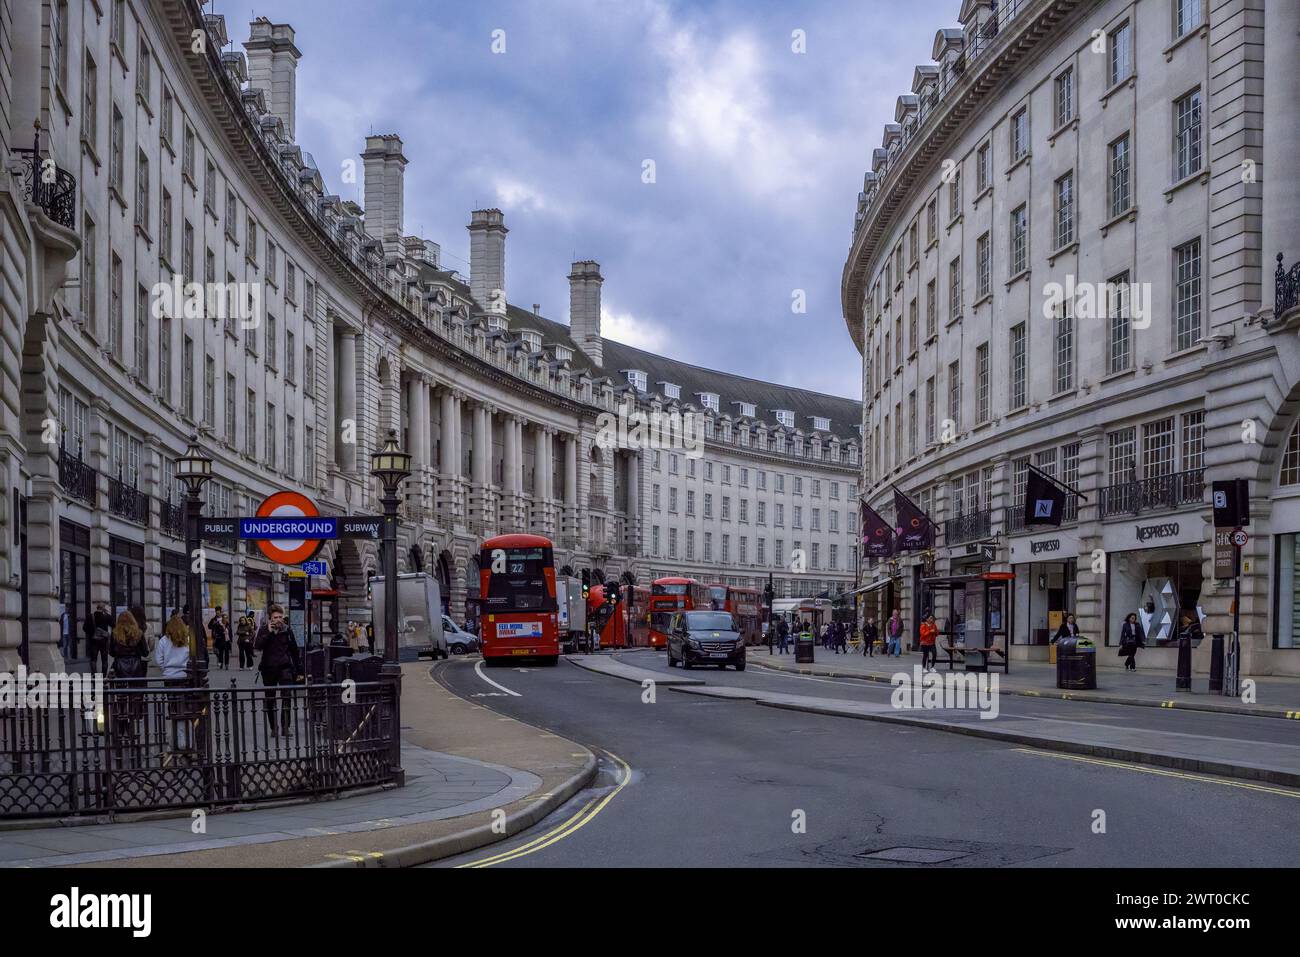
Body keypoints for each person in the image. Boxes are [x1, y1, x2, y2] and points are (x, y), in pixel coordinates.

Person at [255, 604, 301, 737]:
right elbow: (258, 646)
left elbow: (294, 650)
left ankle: (285, 727)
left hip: (285, 668)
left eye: (281, 617)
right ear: (270, 618)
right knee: (270, 699)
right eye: (276, 617)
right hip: (268, 669)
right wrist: (269, 633)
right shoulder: (264, 630)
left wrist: (299, 670)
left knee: (287, 697)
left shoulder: (287, 630)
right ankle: (274, 727)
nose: (279, 619)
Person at [158, 608, 195, 754]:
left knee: (173, 710)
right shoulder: (188, 639)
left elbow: (159, 659)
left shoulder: (163, 641)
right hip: (184, 677)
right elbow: (193, 657)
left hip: (170, 679)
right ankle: (187, 742)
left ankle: (175, 742)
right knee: (186, 710)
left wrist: (166, 669)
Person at [84, 601, 113, 675]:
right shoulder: (106, 616)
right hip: (104, 641)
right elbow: (113, 625)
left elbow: (84, 628)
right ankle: (103, 677)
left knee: (93, 659)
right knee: (104, 660)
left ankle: (94, 675)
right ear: (103, 608)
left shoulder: (90, 616)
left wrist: (92, 633)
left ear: (97, 608)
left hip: (93, 641)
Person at [209, 605, 230, 670]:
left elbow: (230, 630)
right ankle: (220, 659)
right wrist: (214, 624)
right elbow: (209, 626)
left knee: (225, 651)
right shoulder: (214, 619)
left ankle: (224, 663)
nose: (217, 614)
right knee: (216, 650)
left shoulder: (225, 619)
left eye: (218, 612)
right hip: (216, 637)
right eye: (216, 612)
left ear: (221, 612)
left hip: (225, 639)